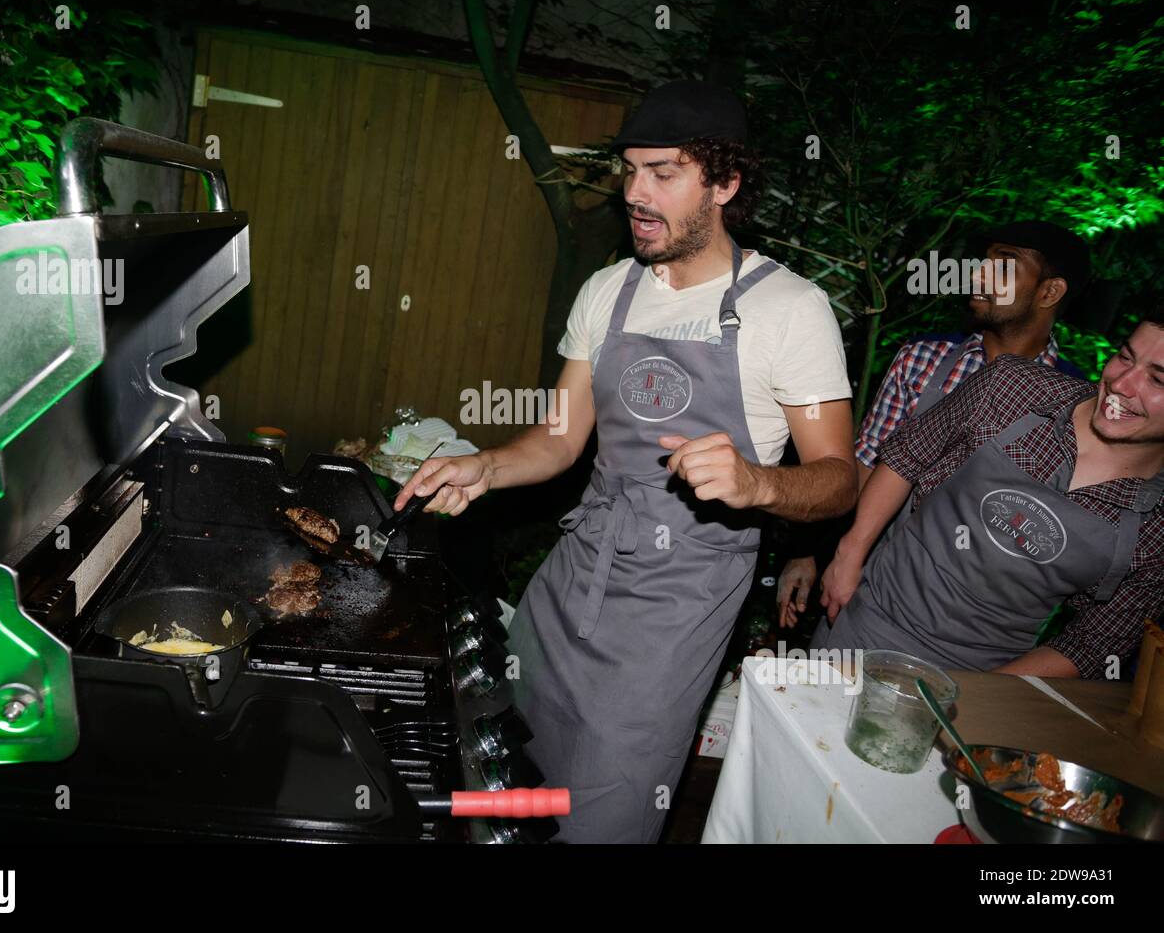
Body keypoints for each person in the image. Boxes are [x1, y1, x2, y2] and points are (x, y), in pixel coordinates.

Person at [392, 81, 857, 842]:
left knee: (604, 804)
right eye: (629, 169)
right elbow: (560, 439)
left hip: (676, 605)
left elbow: (839, 480)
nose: (635, 193)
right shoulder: (609, 291)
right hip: (574, 573)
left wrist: (758, 481)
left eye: (663, 173)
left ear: (726, 183)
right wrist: (488, 466)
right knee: (502, 766)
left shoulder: (787, 310)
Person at [815, 310, 1164, 677]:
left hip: (978, 678)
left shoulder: (1156, 527)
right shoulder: (1013, 387)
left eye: (1157, 380)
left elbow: (1093, 644)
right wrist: (849, 554)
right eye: (1125, 357)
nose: (1122, 384)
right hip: (868, 618)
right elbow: (908, 455)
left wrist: (981, 698)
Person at [777, 221, 1090, 628]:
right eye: (982, 262)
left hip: (984, 622)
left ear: (1050, 291)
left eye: (1005, 266)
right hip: (873, 587)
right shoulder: (922, 360)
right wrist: (807, 552)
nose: (979, 275)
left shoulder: (1077, 404)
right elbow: (862, 469)